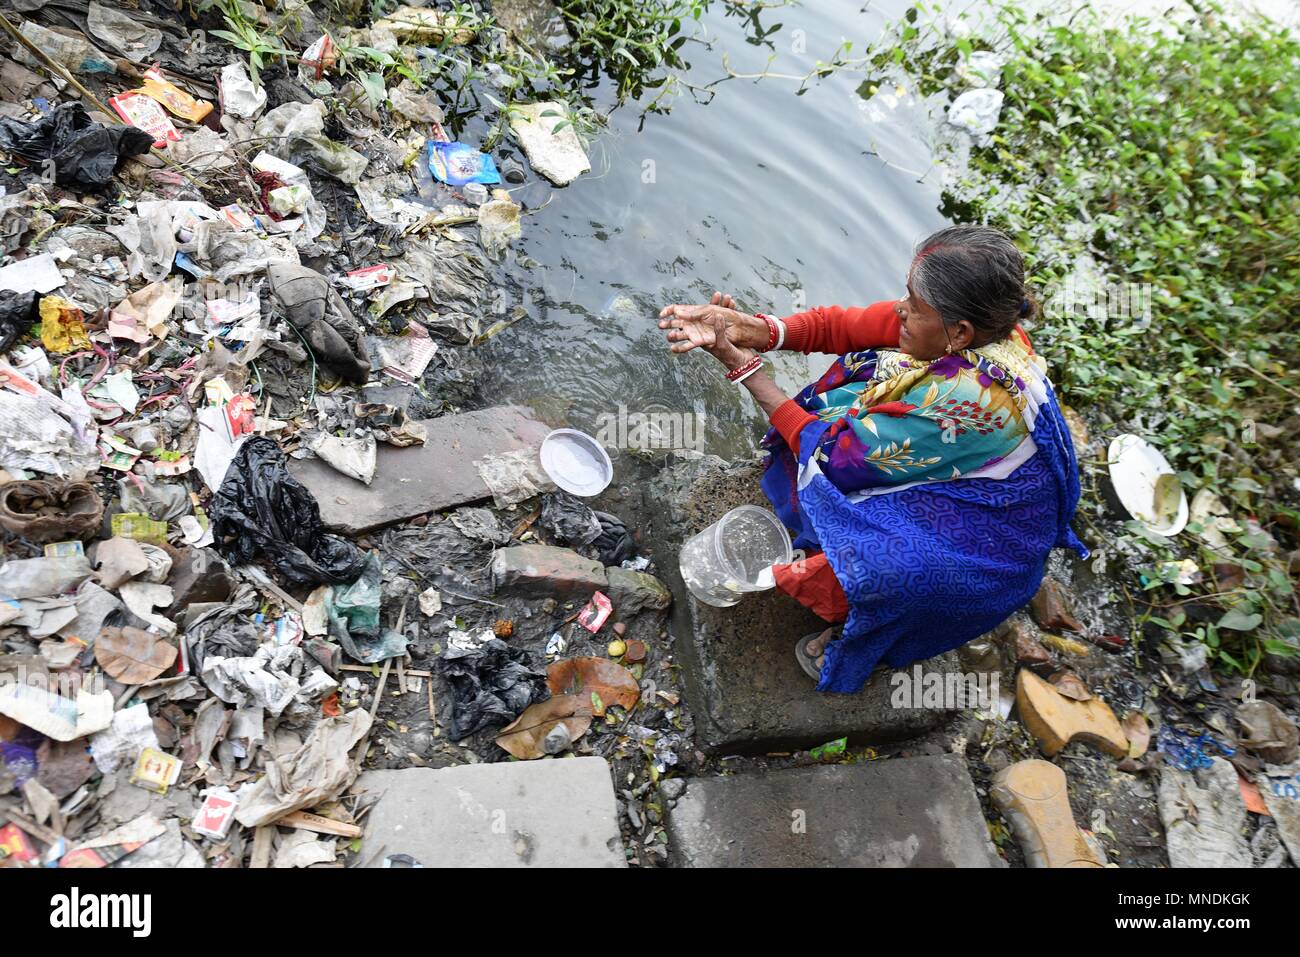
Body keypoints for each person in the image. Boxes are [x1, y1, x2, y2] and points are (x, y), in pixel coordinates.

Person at [658, 225, 1086, 693]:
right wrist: (755, 330)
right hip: (964, 480)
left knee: (883, 562)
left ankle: (867, 628)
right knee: (875, 361)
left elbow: (831, 457)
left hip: (985, 551)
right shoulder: (978, 330)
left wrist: (743, 366)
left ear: (958, 332)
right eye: (907, 292)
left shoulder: (968, 402)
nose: (901, 308)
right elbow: (846, 326)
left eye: (914, 305)